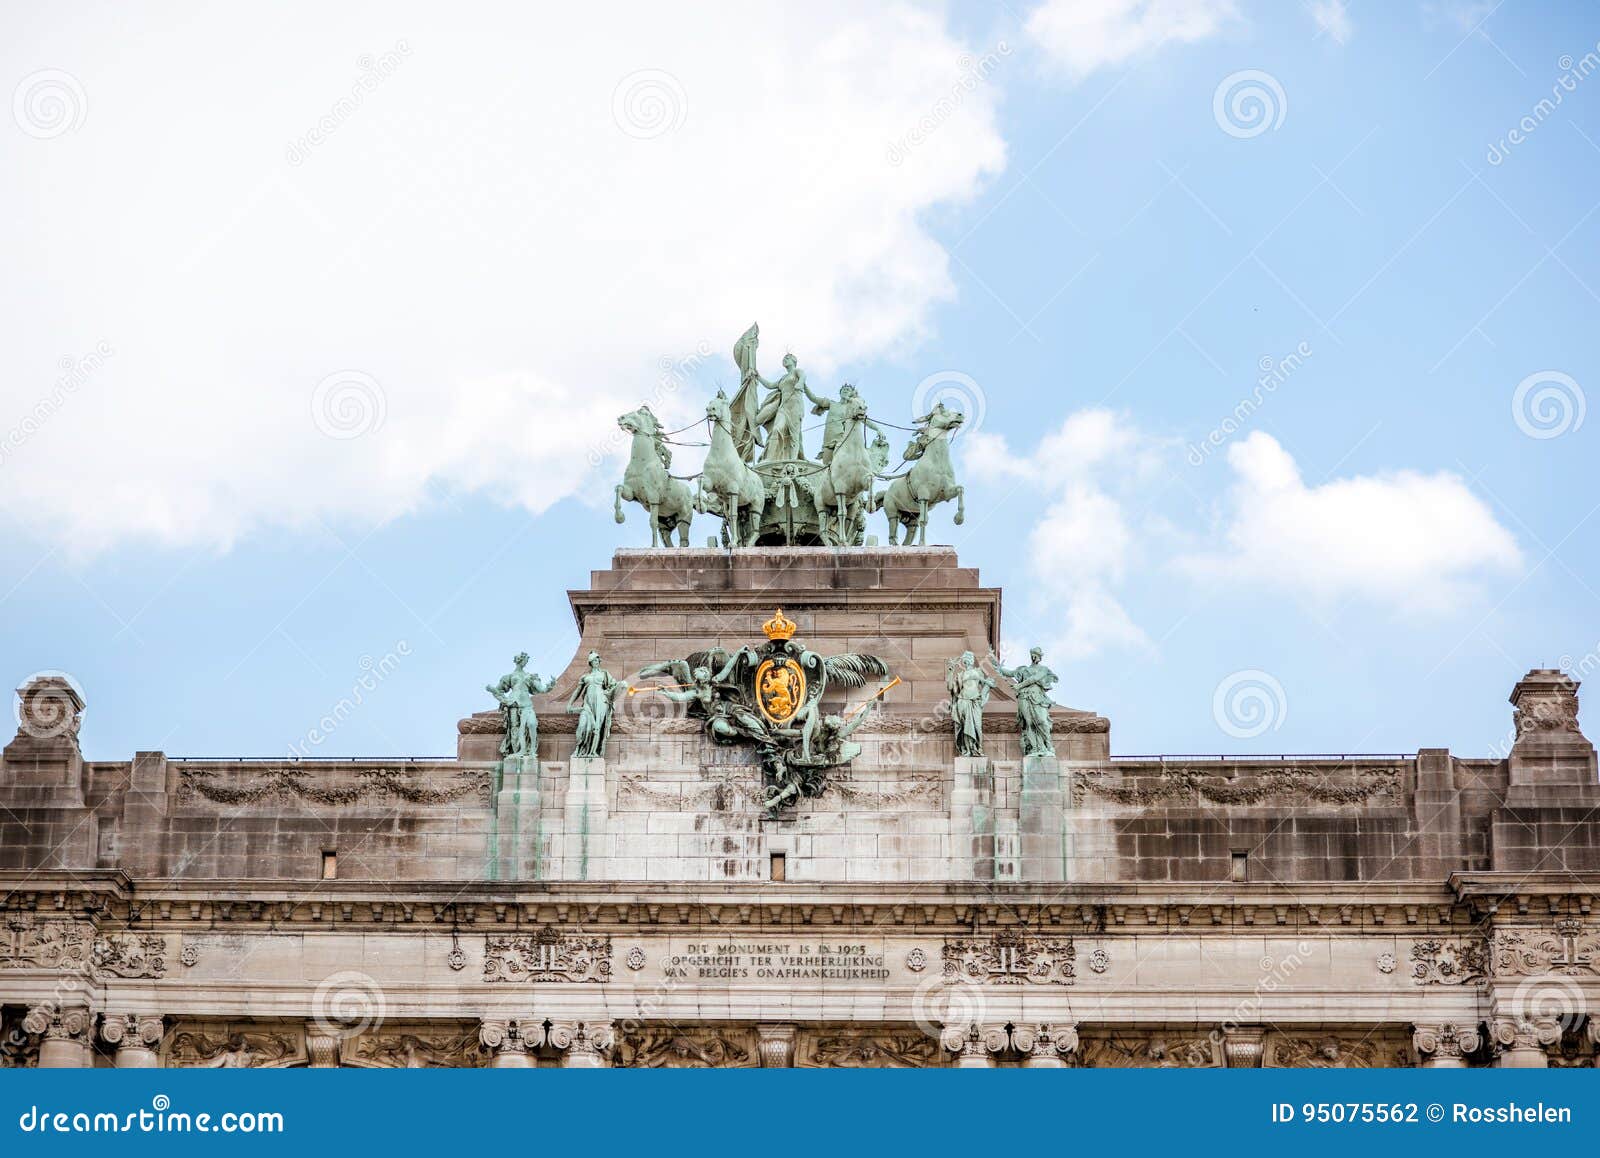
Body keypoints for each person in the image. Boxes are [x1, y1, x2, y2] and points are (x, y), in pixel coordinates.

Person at [988, 646, 1059, 758]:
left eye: (1039, 655)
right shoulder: (1023, 670)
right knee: (1028, 723)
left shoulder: (1043, 669)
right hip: (1024, 697)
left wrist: (1019, 685)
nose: (1037, 657)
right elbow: (1009, 673)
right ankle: (1034, 747)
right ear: (1032, 655)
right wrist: (996, 664)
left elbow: (1034, 679)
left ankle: (1048, 745)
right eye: (1035, 654)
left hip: (1037, 698)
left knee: (1042, 721)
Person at [567, 650, 622, 758]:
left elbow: (613, 685)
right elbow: (577, 691)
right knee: (582, 727)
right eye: (594, 659)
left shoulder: (604, 674)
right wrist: (569, 704)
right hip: (588, 704)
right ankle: (579, 749)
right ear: (590, 662)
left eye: (598, 659)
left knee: (596, 727)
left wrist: (620, 686)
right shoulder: (585, 677)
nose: (596, 661)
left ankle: (593, 751)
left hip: (601, 702)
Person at [946, 650, 995, 757]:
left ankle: (977, 748)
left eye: (969, 658)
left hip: (975, 702)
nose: (967, 660)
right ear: (964, 661)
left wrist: (987, 689)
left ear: (972, 660)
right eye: (965, 659)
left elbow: (986, 685)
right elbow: (950, 687)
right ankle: (968, 750)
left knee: (977, 726)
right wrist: (950, 672)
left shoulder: (978, 672)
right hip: (963, 701)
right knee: (965, 727)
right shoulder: (960, 675)